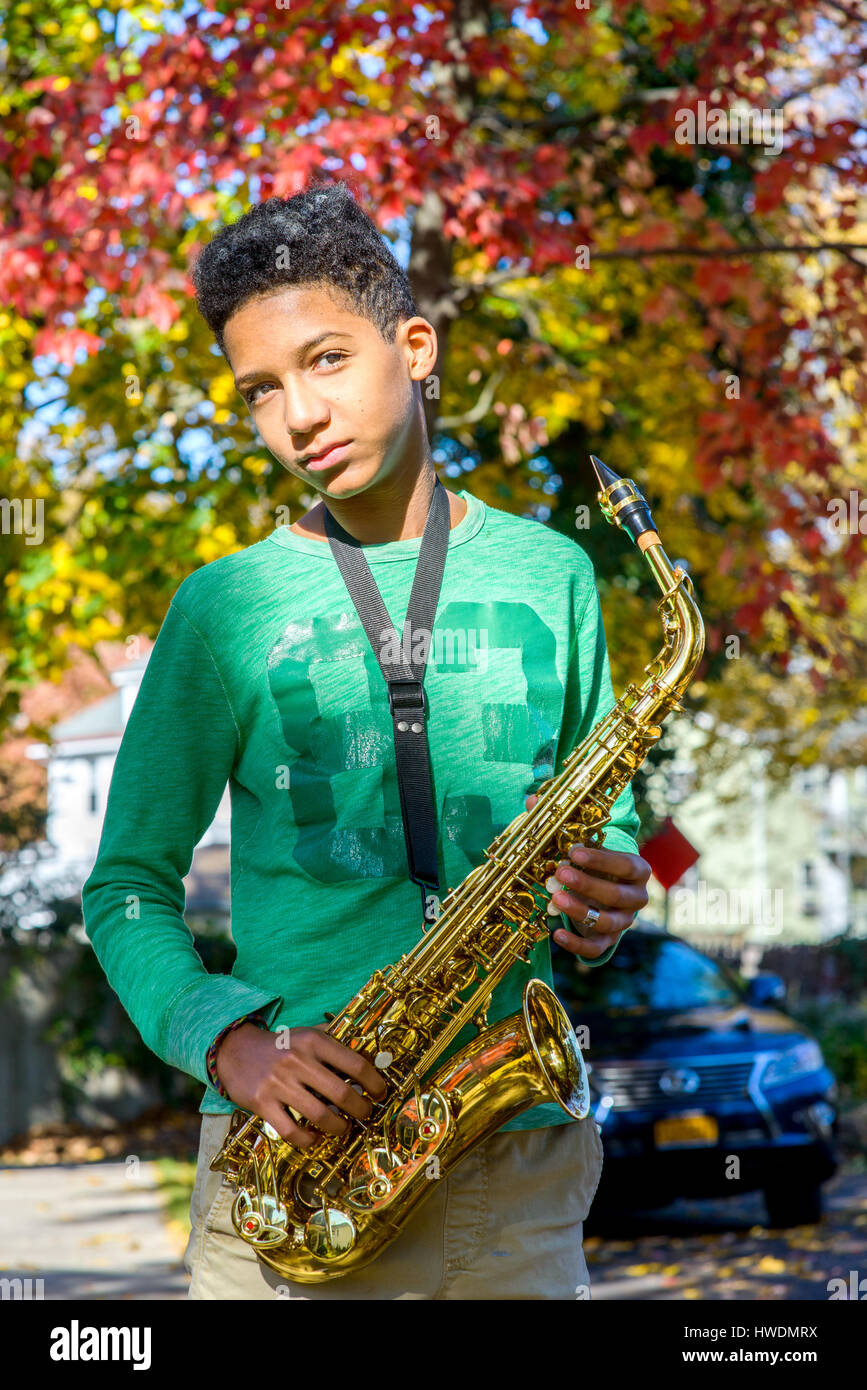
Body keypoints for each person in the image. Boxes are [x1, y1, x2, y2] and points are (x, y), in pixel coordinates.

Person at [81, 179, 651, 1300]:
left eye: (328, 359)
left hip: (513, 1159)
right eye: (260, 391)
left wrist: (608, 894)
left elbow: (603, 806)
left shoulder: (556, 572)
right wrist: (232, 1044)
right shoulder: (221, 608)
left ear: (417, 346)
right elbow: (127, 885)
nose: (297, 415)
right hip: (288, 1170)